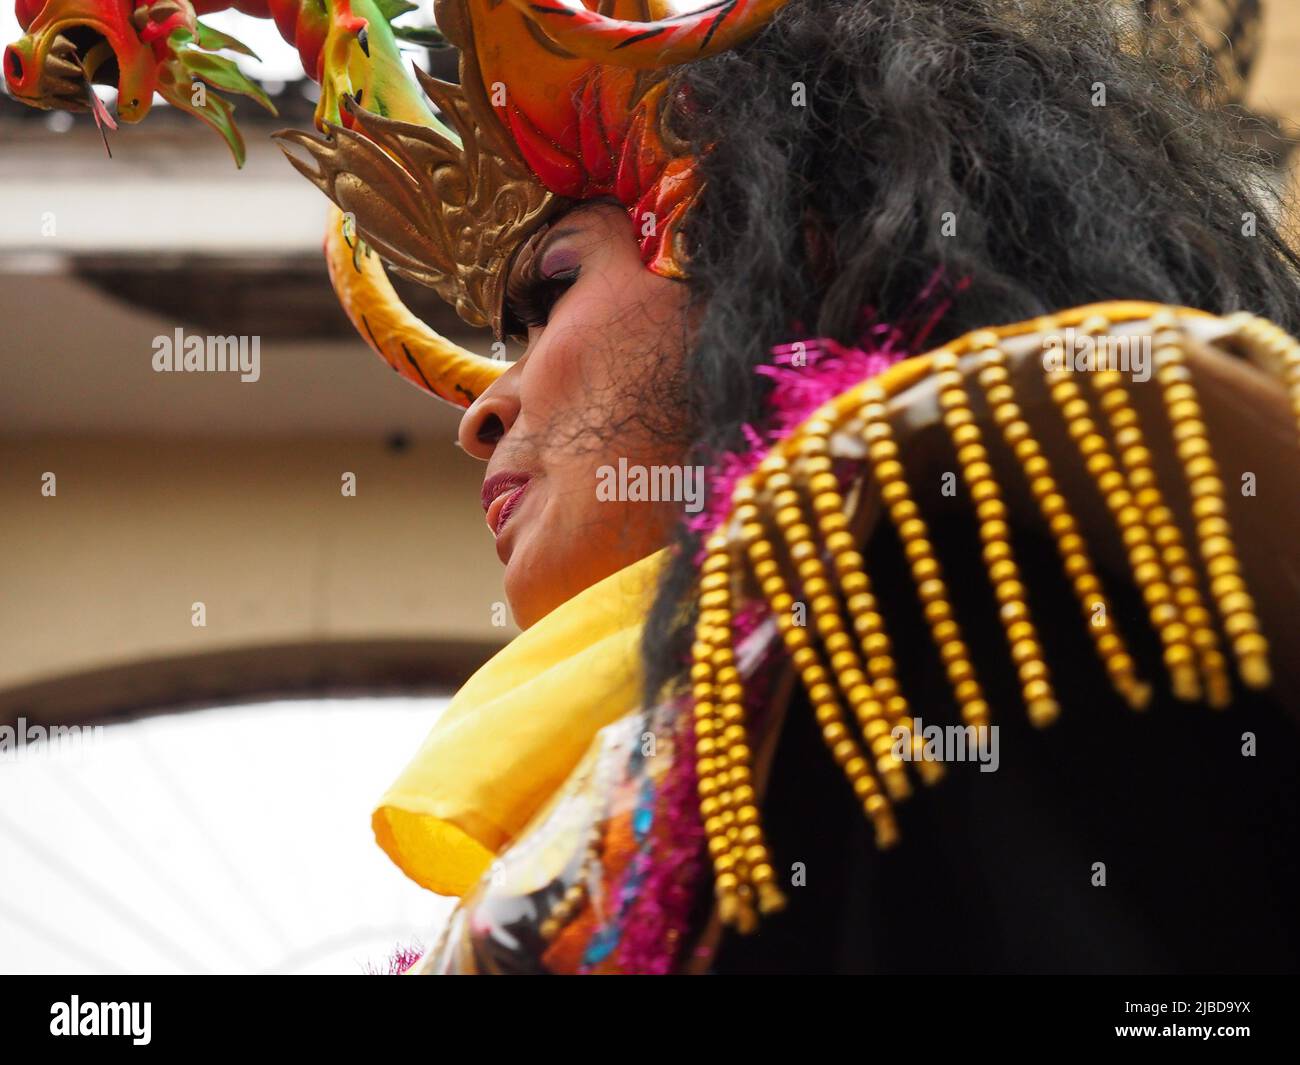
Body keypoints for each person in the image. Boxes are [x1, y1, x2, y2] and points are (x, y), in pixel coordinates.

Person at [10, 0, 1300, 974]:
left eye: (547, 297)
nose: (480, 412)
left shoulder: (1019, 480)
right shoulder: (633, 757)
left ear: (768, 247)